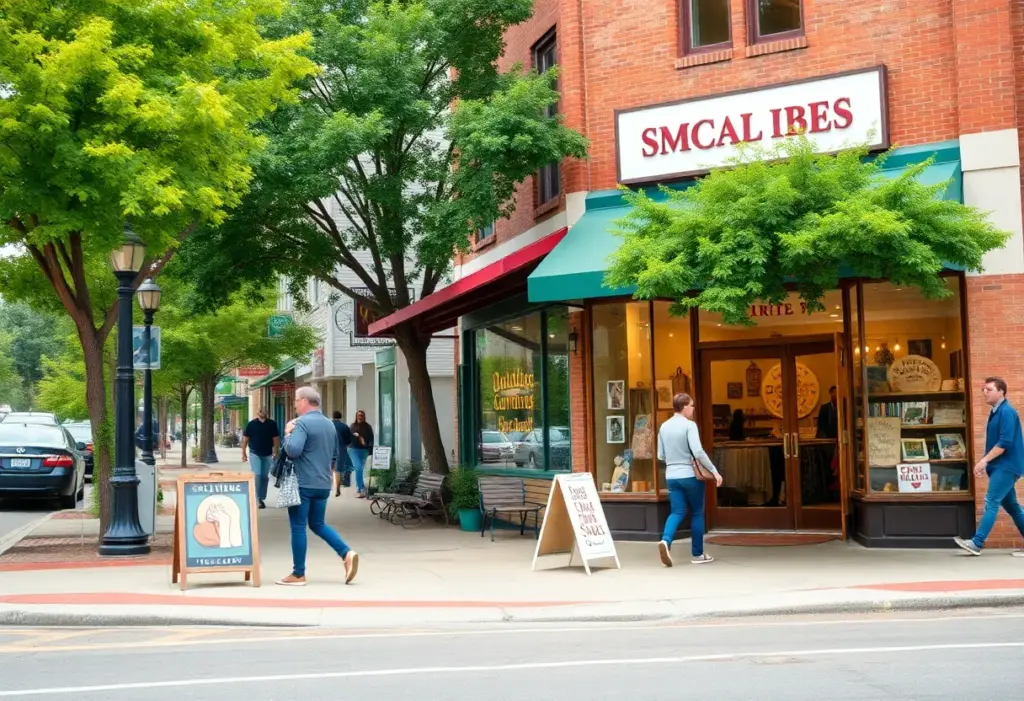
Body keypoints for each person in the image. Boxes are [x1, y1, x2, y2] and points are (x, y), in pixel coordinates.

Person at [277, 387, 359, 586]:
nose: (295, 404)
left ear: (305, 401)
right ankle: (346, 553)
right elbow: (334, 455)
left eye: (296, 400)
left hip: (302, 483)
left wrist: (288, 433)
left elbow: (294, 450)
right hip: (323, 483)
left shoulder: (301, 423)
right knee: (317, 524)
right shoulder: (329, 425)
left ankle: (298, 574)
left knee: (298, 527)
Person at [954, 377, 1024, 556]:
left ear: (1001, 391)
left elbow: (1005, 442)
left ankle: (976, 543)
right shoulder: (996, 412)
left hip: (1006, 466)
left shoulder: (1007, 412)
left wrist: (984, 461)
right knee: (1012, 506)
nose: (985, 392)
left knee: (991, 501)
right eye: (984, 389)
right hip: (1001, 466)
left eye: (989, 389)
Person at [657, 393, 722, 566]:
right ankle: (698, 555)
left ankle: (665, 540)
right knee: (696, 513)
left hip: (671, 476)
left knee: (676, 512)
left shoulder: (663, 427)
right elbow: (698, 452)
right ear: (684, 406)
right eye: (692, 406)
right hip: (690, 475)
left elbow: (660, 454)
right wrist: (714, 471)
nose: (693, 409)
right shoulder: (689, 426)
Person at [241, 408, 280, 509]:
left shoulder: (272, 424)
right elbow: (245, 440)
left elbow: (275, 438)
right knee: (257, 475)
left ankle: (262, 497)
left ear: (267, 413)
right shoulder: (251, 424)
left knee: (264, 476)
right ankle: (257, 499)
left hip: (267, 454)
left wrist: (276, 451)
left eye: (265, 411)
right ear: (257, 413)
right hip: (255, 453)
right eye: (261, 411)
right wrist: (243, 453)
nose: (263, 413)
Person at [349, 410, 374, 499]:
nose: (360, 417)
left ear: (364, 416)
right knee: (358, 467)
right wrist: (358, 437)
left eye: (362, 415)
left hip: (364, 450)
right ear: (356, 416)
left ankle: (360, 487)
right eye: (359, 415)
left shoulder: (368, 427)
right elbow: (349, 437)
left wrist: (369, 448)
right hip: (353, 449)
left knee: (362, 469)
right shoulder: (353, 426)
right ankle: (360, 488)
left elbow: (371, 439)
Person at [332, 410, 353, 497]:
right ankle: (337, 489)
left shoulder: (328, 425)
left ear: (333, 416)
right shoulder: (344, 427)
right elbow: (349, 441)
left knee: (327, 469)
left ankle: (325, 487)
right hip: (340, 450)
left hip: (328, 449)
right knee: (338, 470)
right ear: (341, 417)